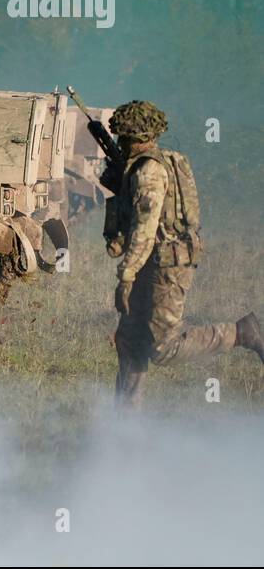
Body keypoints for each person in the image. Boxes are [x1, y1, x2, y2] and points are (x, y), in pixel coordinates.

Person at [106, 100, 262, 406]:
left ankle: (244, 332)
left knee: (164, 348)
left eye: (122, 137)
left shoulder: (148, 172)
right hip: (157, 261)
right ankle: (124, 425)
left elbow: (144, 230)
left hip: (166, 265)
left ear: (133, 137)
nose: (118, 142)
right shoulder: (166, 160)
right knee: (130, 339)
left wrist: (126, 274)